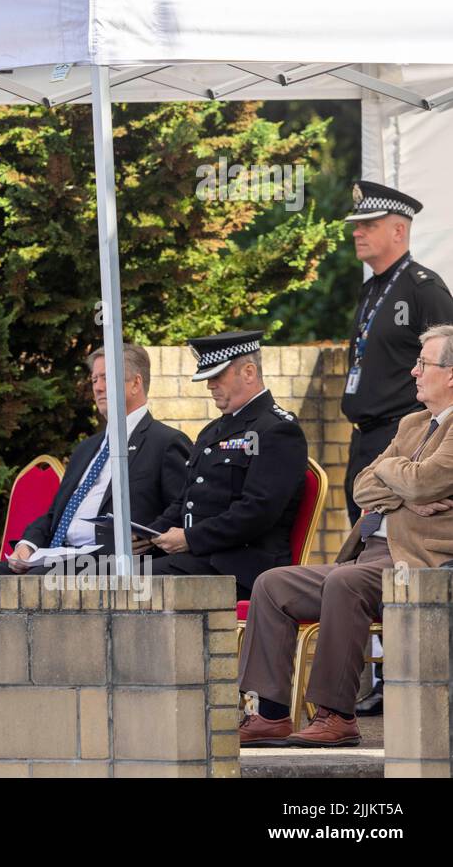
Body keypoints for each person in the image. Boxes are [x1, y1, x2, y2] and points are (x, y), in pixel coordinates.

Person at [239, 324, 453, 748]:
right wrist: (402, 490)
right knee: (273, 584)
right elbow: (361, 485)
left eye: (423, 363)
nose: (413, 371)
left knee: (345, 583)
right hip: (368, 555)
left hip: (418, 559)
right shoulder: (413, 424)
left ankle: (337, 715)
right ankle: (271, 713)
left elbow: (427, 482)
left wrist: (395, 479)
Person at [0, 343, 190, 575]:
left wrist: (149, 536)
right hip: (53, 555)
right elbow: (54, 515)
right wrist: (27, 544)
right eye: (94, 380)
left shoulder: (166, 442)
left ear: (135, 383)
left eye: (106, 378)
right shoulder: (86, 448)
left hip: (109, 559)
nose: (98, 388)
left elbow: (183, 506)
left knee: (38, 579)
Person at [142, 330, 307, 601]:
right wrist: (151, 535)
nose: (209, 385)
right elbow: (185, 502)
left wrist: (190, 538)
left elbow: (257, 512)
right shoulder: (212, 431)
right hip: (202, 557)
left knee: (131, 584)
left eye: (217, 376)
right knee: (108, 574)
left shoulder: (278, 430)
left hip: (243, 566)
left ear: (249, 372)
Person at [341, 181, 453, 526]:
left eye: (369, 225)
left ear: (399, 230)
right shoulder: (371, 288)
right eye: (357, 225)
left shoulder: (424, 288)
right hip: (364, 436)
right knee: (359, 549)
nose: (357, 232)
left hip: (404, 437)